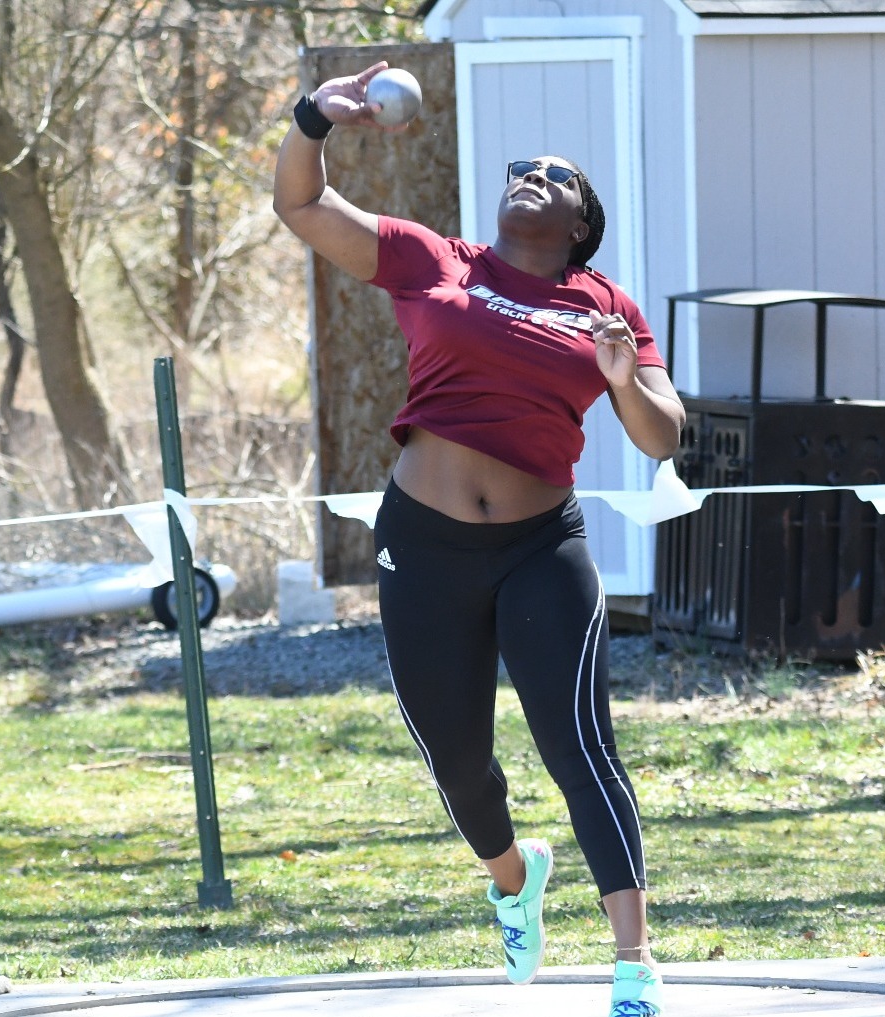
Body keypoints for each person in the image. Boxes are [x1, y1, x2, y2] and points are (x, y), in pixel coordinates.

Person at [272, 62, 684, 1017]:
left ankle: (634, 966)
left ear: (581, 224)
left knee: (580, 744)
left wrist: (625, 379)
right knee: (456, 757)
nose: (532, 173)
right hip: (424, 547)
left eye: (558, 174)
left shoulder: (607, 307)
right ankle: (513, 877)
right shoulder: (437, 262)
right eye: (520, 167)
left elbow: (663, 438)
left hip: (543, 548)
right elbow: (302, 204)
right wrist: (312, 120)